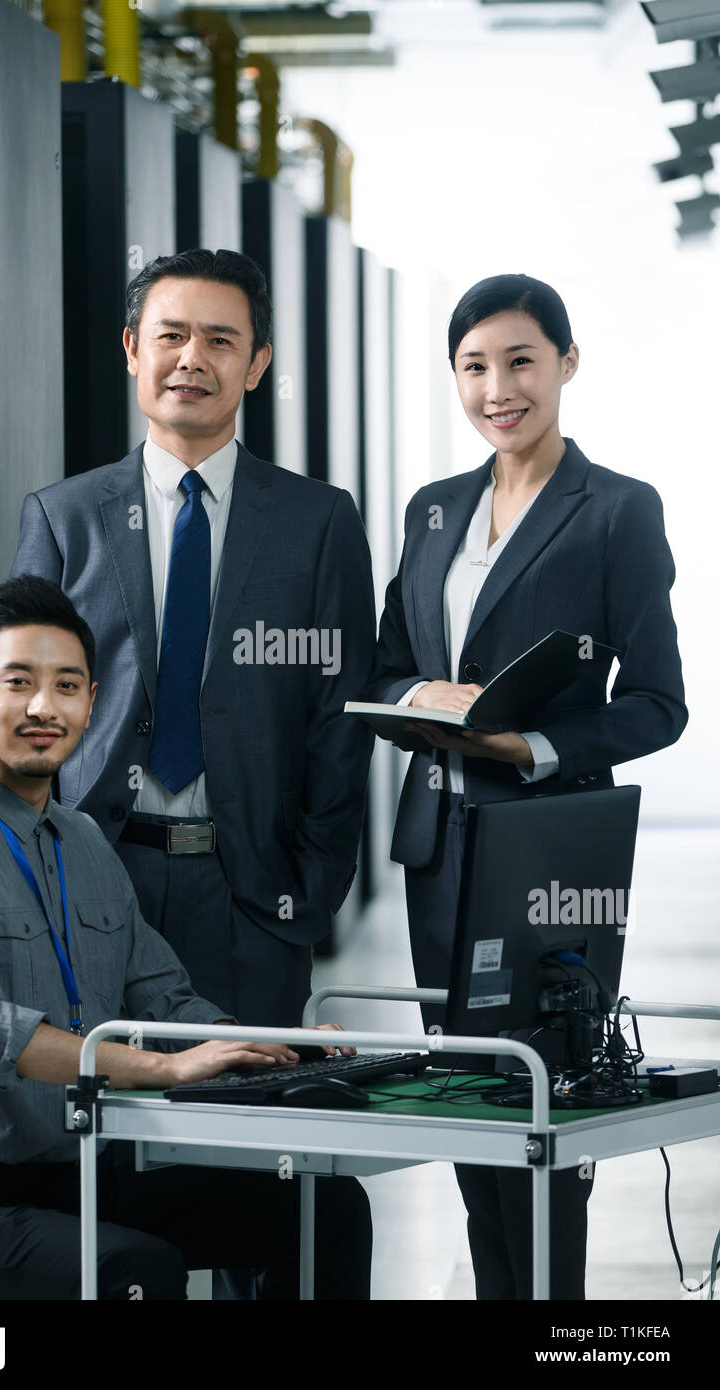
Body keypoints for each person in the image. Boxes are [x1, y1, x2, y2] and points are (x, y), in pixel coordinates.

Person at [0, 575, 372, 1301]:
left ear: (92, 703)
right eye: (19, 682)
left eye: (67, 685)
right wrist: (160, 1070)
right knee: (137, 1273)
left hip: (91, 1175)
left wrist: (266, 1045)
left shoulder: (85, 841)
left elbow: (161, 996)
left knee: (324, 1206)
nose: (45, 706)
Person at [365, 273, 687, 1300]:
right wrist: (426, 697)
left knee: (546, 1110)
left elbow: (655, 702)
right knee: (463, 1097)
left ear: (564, 363)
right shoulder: (429, 513)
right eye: (472, 366)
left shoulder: (615, 511)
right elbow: (382, 666)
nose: (495, 387)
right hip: (438, 847)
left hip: (549, 847)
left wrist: (532, 747)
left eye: (517, 361)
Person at [9, 248, 376, 1033]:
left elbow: (340, 719)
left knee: (235, 1135)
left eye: (220, 340)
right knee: (95, 1133)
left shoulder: (319, 522)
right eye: (170, 335)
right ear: (133, 348)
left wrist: (305, 897)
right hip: (92, 878)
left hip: (250, 892)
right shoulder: (62, 518)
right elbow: (19, 714)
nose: (191, 359)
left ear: (256, 364)